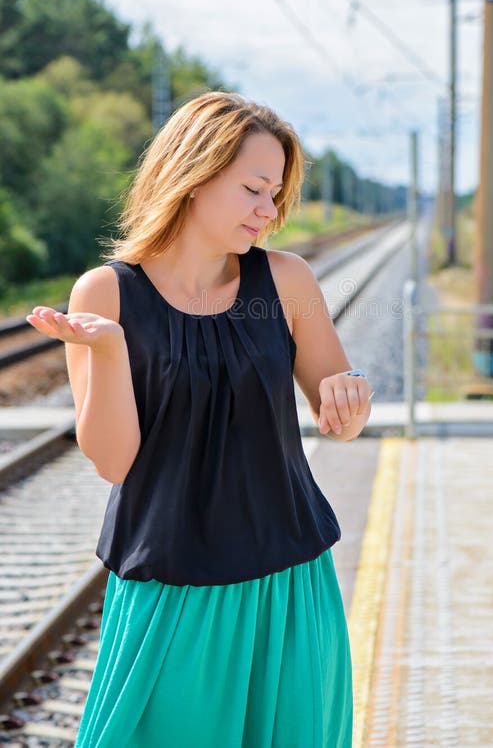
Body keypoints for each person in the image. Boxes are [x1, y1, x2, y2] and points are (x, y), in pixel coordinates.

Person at [26, 91, 373, 748]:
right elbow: (113, 461)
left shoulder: (287, 282)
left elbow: (340, 416)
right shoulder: (105, 295)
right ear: (193, 175)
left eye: (275, 193)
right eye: (252, 189)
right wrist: (108, 350)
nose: (269, 211)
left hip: (288, 577)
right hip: (171, 584)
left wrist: (349, 408)